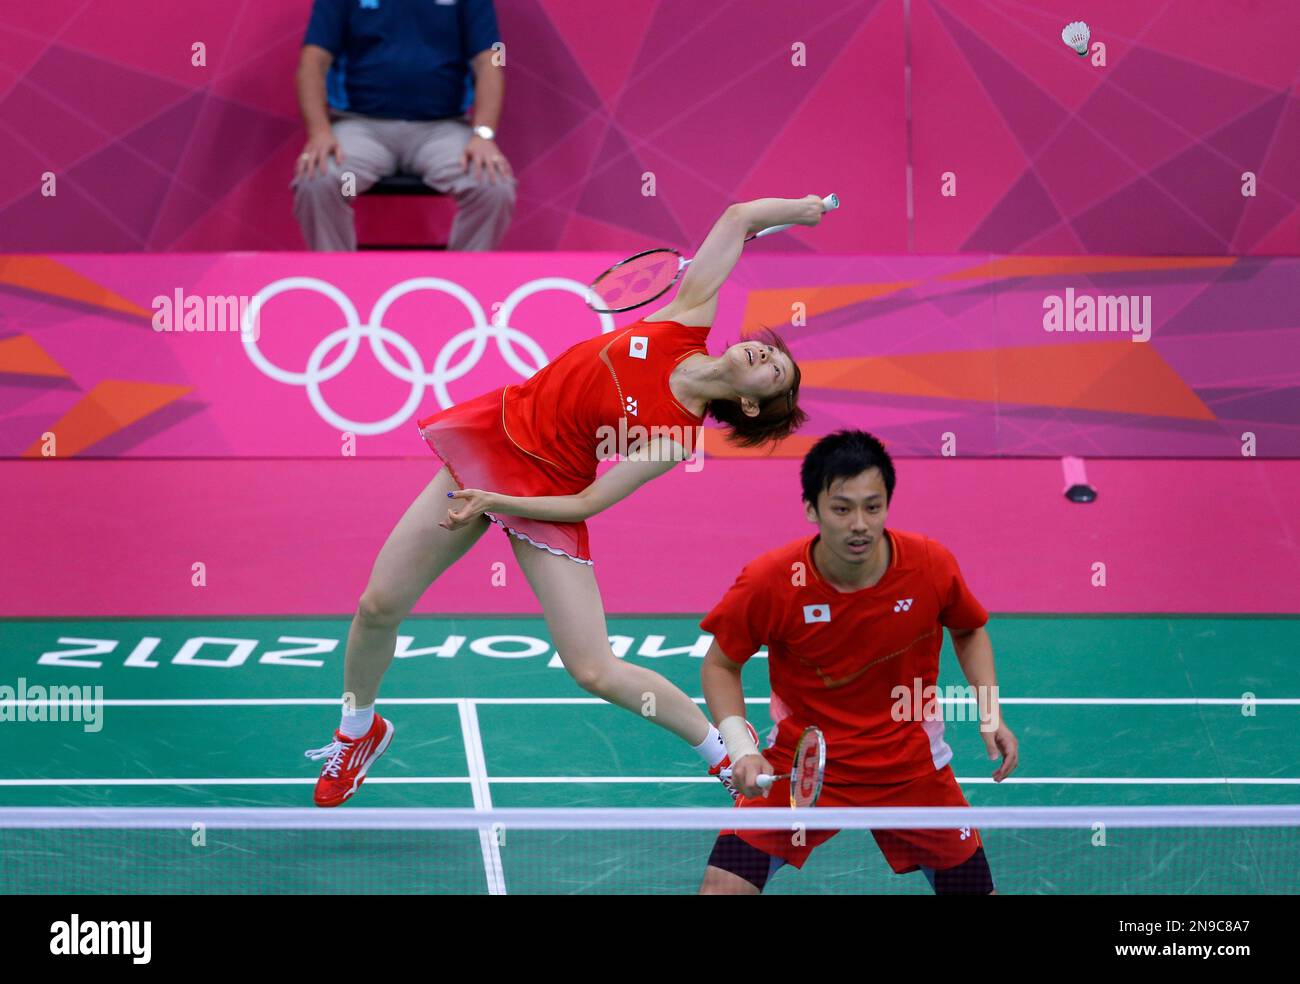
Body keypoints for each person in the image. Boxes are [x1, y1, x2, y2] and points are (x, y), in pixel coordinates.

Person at [305, 196, 828, 807]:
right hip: (496, 439)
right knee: (377, 605)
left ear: (749, 407)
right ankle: (357, 731)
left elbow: (589, 501)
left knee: (593, 669)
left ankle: (725, 759)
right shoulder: (686, 318)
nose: (767, 357)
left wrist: (494, 501)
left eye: (775, 375)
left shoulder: (674, 436)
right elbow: (738, 218)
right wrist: (805, 207)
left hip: (549, 491)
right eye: (770, 351)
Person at [697, 430, 1020, 894]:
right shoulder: (770, 581)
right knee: (719, 892)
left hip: (911, 772)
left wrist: (990, 714)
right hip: (803, 768)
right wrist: (742, 749)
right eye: (842, 508)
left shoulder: (930, 565)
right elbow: (720, 665)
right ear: (812, 509)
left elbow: (968, 630)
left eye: (873, 506)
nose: (860, 524)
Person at [292, 0, 514, 251]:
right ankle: (337, 281)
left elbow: (491, 60)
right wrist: (320, 132)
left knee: (490, 186)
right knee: (323, 180)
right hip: (362, 131)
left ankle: (459, 282)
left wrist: (483, 134)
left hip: (442, 131)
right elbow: (313, 60)